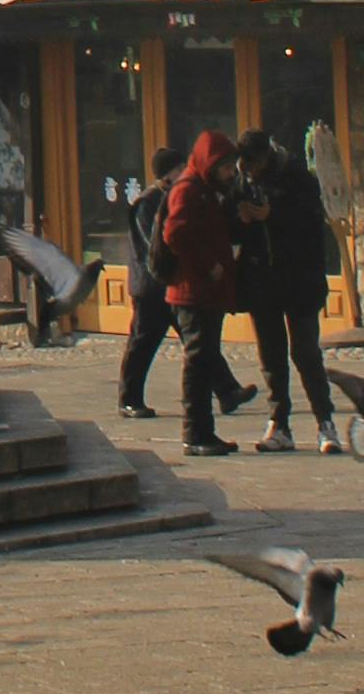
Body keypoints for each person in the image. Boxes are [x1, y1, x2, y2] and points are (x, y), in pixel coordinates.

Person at [117, 145, 251, 424]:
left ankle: (227, 390)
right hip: (152, 288)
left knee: (199, 341)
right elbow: (153, 245)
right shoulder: (147, 202)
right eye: (179, 169)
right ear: (169, 173)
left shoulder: (180, 196)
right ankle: (129, 398)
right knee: (143, 343)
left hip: (176, 286)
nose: (184, 173)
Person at [232, 129, 344, 455]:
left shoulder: (297, 176)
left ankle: (325, 422)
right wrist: (242, 218)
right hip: (262, 283)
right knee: (272, 356)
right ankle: (279, 423)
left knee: (306, 354)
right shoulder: (242, 181)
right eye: (244, 166)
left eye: (252, 164)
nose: (248, 171)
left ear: (265, 157)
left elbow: (311, 224)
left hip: (300, 281)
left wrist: (273, 214)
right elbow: (232, 224)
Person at [161, 126, 243, 458]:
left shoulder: (208, 189)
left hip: (206, 291)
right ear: (210, 164)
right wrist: (209, 265)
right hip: (191, 291)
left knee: (205, 359)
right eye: (225, 166)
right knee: (197, 362)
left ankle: (204, 431)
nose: (229, 173)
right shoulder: (188, 190)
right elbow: (174, 235)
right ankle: (195, 433)